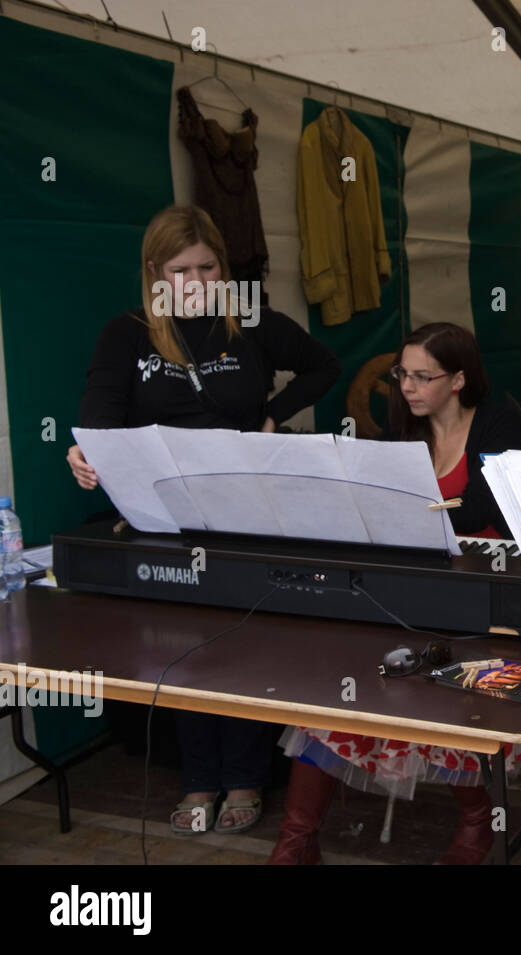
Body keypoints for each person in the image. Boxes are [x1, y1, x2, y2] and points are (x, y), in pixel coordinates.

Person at [67, 204, 342, 835]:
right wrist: (85, 452)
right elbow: (100, 409)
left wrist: (273, 414)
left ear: (224, 264)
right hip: (161, 513)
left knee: (243, 645)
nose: (197, 282)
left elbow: (323, 365)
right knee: (183, 650)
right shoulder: (128, 332)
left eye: (208, 266)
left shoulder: (250, 322)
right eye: (181, 270)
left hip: (245, 508)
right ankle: (199, 779)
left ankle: (245, 775)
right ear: (155, 272)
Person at [271, 323, 521, 866]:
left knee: (449, 693)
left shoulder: (496, 423)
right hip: (410, 589)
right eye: (402, 375)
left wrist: (404, 508)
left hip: (478, 595)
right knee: (333, 688)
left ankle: (475, 824)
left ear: (460, 379)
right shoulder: (401, 431)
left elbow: (484, 509)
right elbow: (377, 502)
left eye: (423, 377)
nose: (408, 387)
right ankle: (296, 840)